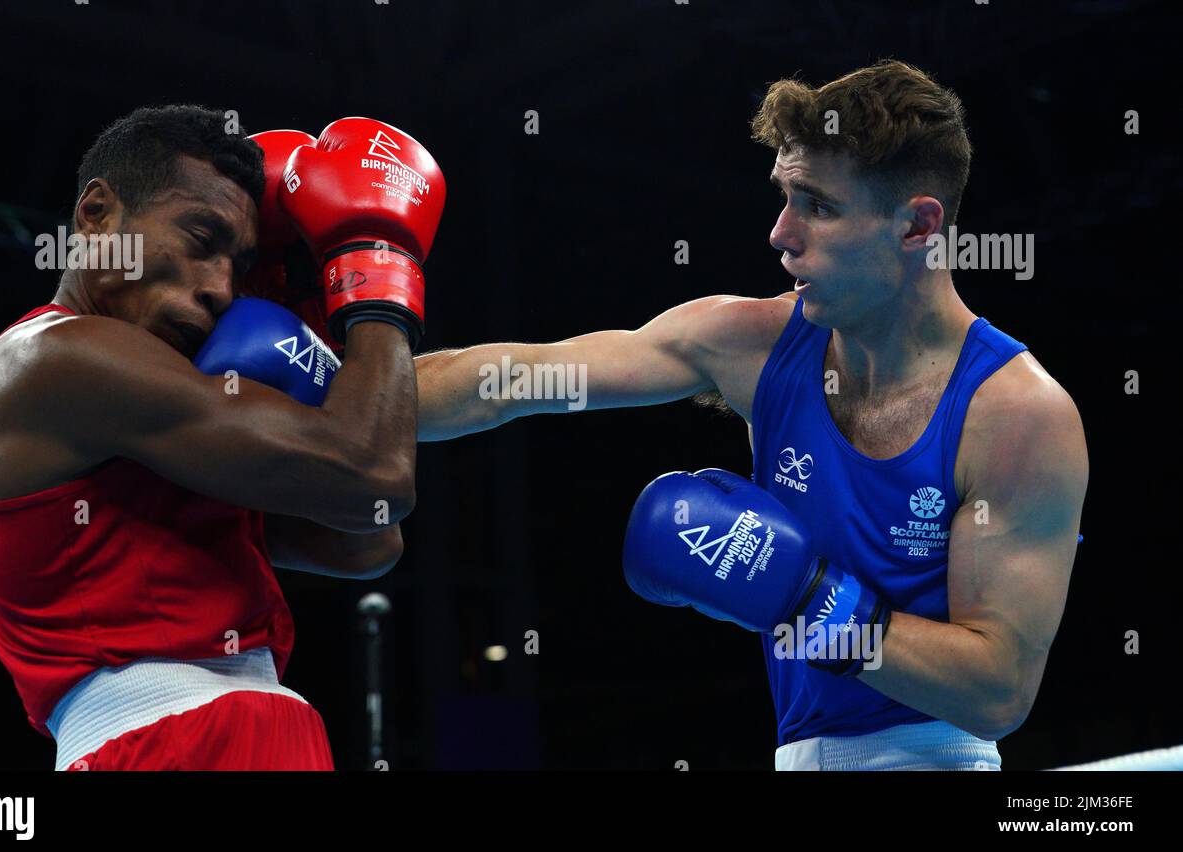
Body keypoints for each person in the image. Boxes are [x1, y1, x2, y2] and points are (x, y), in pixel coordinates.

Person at [415, 61, 1087, 770]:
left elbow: (998, 693)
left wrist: (809, 603)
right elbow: (510, 382)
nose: (780, 234)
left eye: (818, 206)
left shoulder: (1016, 414)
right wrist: (333, 381)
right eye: (785, 198)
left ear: (918, 226)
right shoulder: (753, 344)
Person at [0, 106, 444, 770]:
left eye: (240, 267)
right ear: (97, 216)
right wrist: (376, 265)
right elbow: (375, 475)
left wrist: (305, 333)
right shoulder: (57, 358)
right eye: (199, 237)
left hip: (239, 728)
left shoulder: (162, 429)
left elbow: (368, 537)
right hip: (166, 741)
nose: (220, 289)